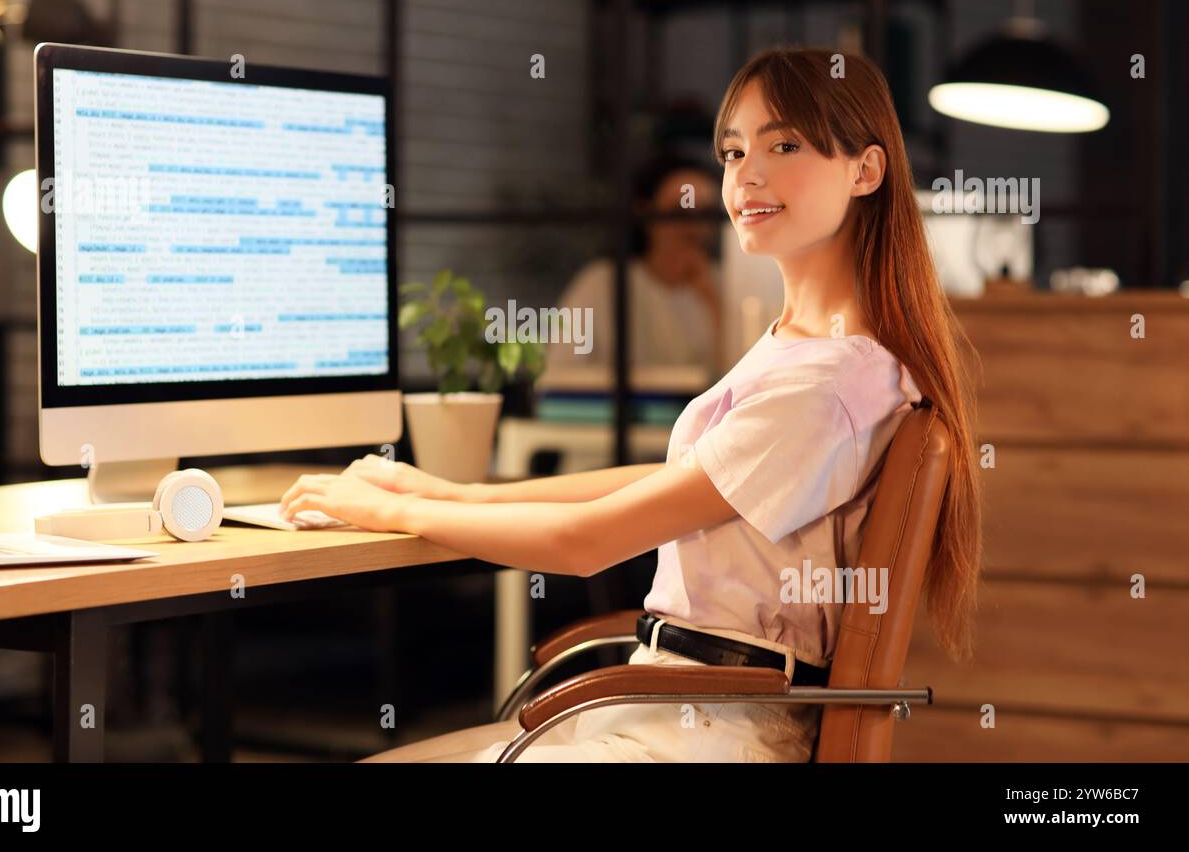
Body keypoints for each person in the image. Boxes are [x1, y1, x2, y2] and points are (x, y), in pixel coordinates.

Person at [279, 46, 985, 762]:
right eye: (734, 151)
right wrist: (453, 492)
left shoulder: (830, 382)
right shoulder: (808, 349)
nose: (748, 176)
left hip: (715, 727)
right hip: (680, 706)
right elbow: (669, 483)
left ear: (865, 171)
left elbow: (584, 545)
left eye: (785, 144)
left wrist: (389, 511)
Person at [539, 156, 725, 382]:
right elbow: (559, 371)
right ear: (647, 213)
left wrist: (715, 304)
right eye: (679, 211)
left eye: (705, 212)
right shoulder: (603, 283)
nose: (693, 226)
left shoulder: (727, 286)